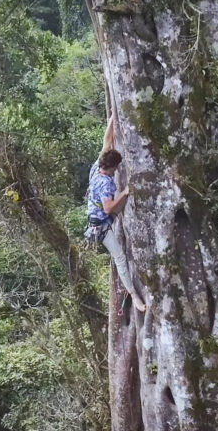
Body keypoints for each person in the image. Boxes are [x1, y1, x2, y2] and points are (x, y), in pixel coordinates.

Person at [86, 114, 147, 312]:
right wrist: (125, 192)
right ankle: (134, 295)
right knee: (120, 257)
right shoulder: (104, 183)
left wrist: (113, 117)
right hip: (100, 225)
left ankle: (132, 293)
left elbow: (107, 140)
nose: (116, 170)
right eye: (116, 167)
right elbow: (108, 208)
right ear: (112, 167)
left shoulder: (96, 166)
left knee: (120, 255)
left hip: (101, 217)